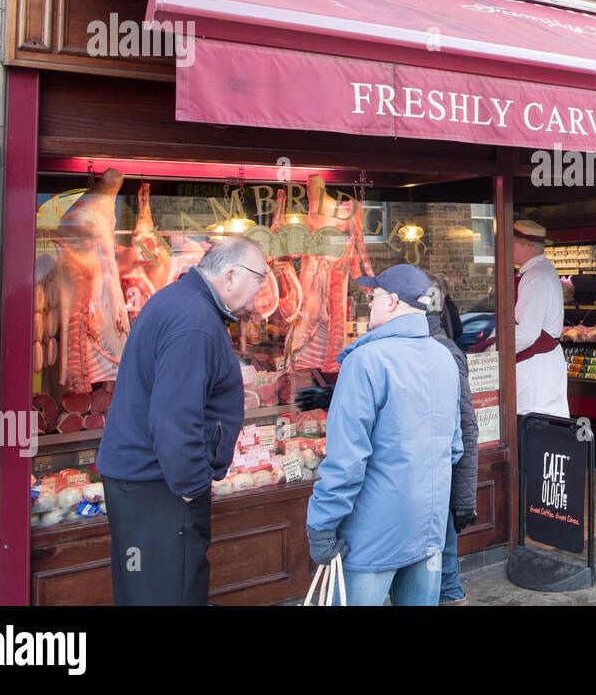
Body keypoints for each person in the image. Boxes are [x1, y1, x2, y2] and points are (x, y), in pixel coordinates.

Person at [96, 235, 268, 605]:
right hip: (158, 486)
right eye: (261, 278)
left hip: (144, 480)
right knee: (170, 593)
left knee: (145, 592)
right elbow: (174, 416)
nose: (261, 292)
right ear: (233, 275)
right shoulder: (194, 320)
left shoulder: (181, 303)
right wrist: (192, 486)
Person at [306, 264, 462, 606]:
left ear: (392, 302)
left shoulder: (365, 361)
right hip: (428, 526)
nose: (369, 304)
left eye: (373, 297)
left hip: (372, 533)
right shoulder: (444, 358)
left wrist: (321, 523)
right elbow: (453, 448)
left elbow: (346, 459)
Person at [422, 271, 479, 606]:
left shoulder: (445, 352)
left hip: (440, 481)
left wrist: (464, 500)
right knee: (441, 566)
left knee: (444, 566)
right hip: (424, 484)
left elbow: (466, 427)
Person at [512, 219, 569, 417]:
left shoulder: (536, 276)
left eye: (512, 243)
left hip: (535, 368)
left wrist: (495, 351)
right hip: (541, 365)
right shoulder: (538, 271)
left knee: (534, 422)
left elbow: (527, 332)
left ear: (526, 246)